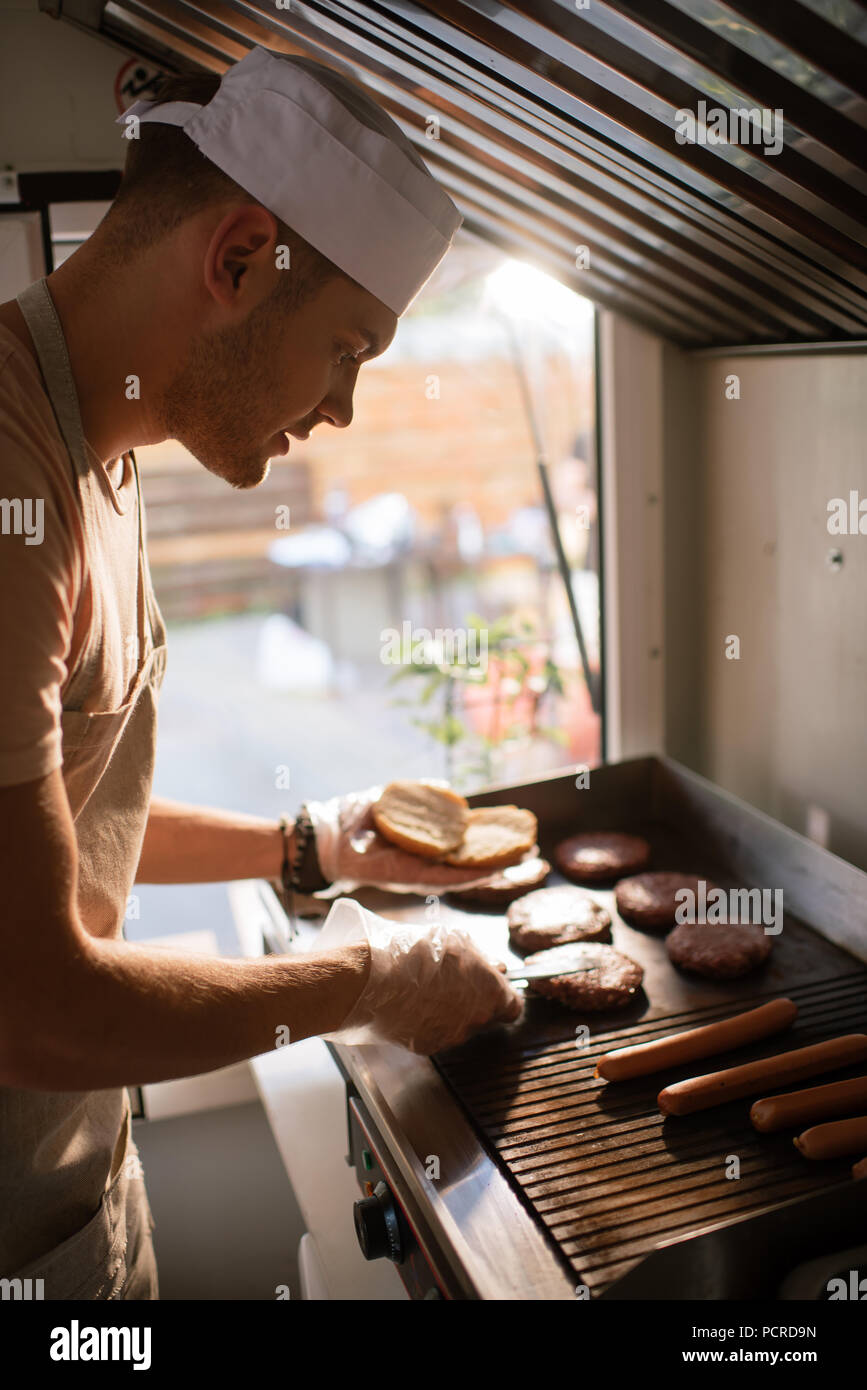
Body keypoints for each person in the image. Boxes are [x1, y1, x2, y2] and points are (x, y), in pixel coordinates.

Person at [0, 47, 521, 1300]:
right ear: (237, 262)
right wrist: (369, 977)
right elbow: (32, 1003)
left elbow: (59, 825)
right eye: (347, 347)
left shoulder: (99, 457)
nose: (341, 409)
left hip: (66, 1209)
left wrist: (309, 847)